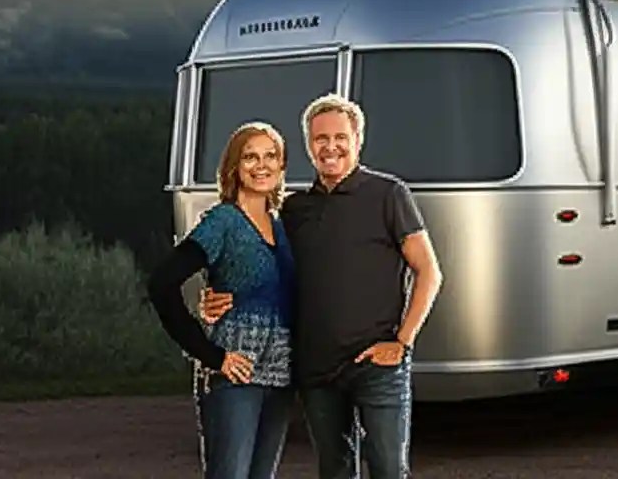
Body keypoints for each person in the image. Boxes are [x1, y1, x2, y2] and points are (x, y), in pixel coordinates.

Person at [201, 94, 443, 479]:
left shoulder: (389, 194)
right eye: (320, 139)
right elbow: (264, 267)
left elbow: (429, 271)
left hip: (378, 364)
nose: (330, 147)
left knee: (388, 468)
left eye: (340, 137)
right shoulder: (294, 210)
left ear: (358, 139)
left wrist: (403, 341)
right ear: (309, 145)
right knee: (334, 469)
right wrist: (216, 297)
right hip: (316, 370)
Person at [147, 121, 297, 479]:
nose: (261, 165)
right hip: (234, 376)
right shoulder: (223, 222)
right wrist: (211, 355)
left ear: (281, 166)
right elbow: (161, 284)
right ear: (234, 167)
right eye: (250, 157)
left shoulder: (282, 226)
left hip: (281, 378)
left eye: (270, 156)